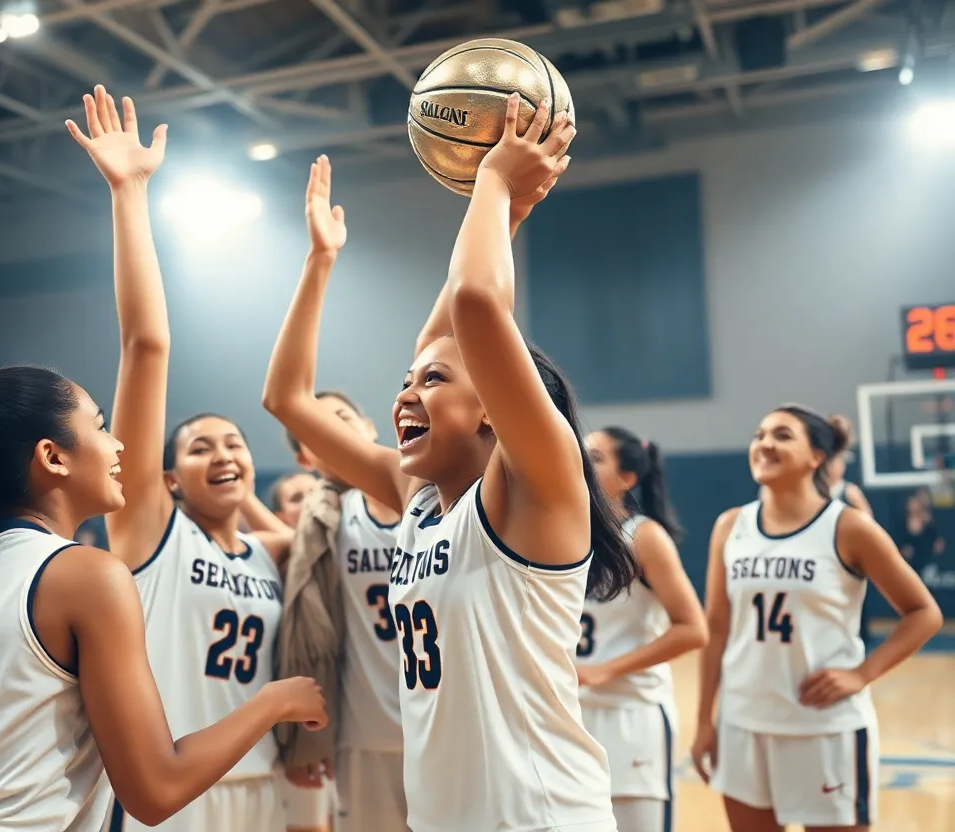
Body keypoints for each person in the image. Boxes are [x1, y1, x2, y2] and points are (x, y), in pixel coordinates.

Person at [0, 89, 326, 832]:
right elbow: (153, 791)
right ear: (52, 457)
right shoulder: (83, 574)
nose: (120, 444)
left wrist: (129, 191)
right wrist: (279, 699)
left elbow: (147, 348)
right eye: (100, 426)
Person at [263, 95, 635, 832]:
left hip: (538, 815)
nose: (406, 392)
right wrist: (506, 210)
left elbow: (474, 304)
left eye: (431, 383)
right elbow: (286, 396)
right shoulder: (426, 504)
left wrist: (494, 183)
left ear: (495, 408)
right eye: (406, 382)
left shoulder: (537, 481)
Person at [68, 85, 300, 832]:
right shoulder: (150, 531)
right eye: (199, 446)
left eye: (235, 443)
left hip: (261, 786)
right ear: (165, 479)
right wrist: (130, 193)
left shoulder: (271, 554)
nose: (224, 452)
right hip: (171, 795)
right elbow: (147, 346)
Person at [692, 404, 942, 832]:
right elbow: (716, 628)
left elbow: (924, 613)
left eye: (783, 435)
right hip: (743, 723)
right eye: (759, 434)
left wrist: (862, 674)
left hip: (824, 728)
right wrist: (703, 722)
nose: (765, 443)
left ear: (817, 457)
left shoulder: (848, 527)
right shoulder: (730, 526)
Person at [273, 387, 404, 832]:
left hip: (447, 726)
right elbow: (306, 633)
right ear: (307, 461)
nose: (333, 432)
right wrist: (307, 737)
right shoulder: (323, 518)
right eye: (317, 428)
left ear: (370, 427)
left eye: (342, 419)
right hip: (363, 732)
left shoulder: (429, 493)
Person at [575, 427, 708, 832]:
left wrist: (605, 669)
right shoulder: (563, 534)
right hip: (572, 714)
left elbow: (693, 629)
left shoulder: (644, 537)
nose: (582, 463)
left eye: (596, 458)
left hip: (632, 717)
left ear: (628, 477)